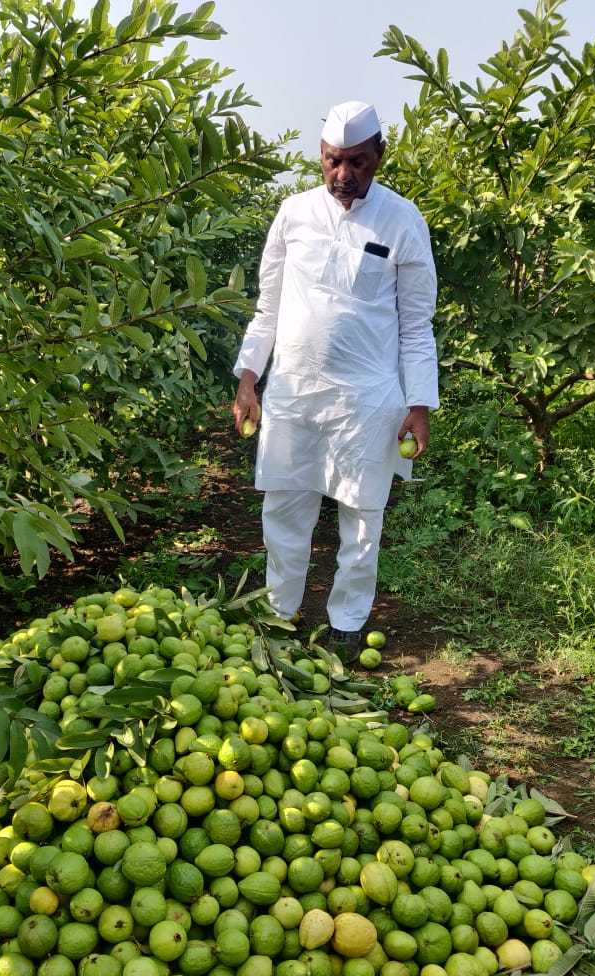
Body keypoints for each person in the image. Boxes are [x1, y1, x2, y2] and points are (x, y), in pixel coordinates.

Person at [231, 100, 439, 662]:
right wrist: (249, 380)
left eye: (358, 163)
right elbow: (267, 307)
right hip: (295, 391)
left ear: (380, 156)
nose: (344, 176)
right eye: (332, 162)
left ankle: (347, 622)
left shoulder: (403, 220)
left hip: (368, 399)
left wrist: (419, 404)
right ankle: (279, 614)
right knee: (283, 508)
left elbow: (417, 324)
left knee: (363, 515)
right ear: (319, 158)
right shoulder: (293, 214)